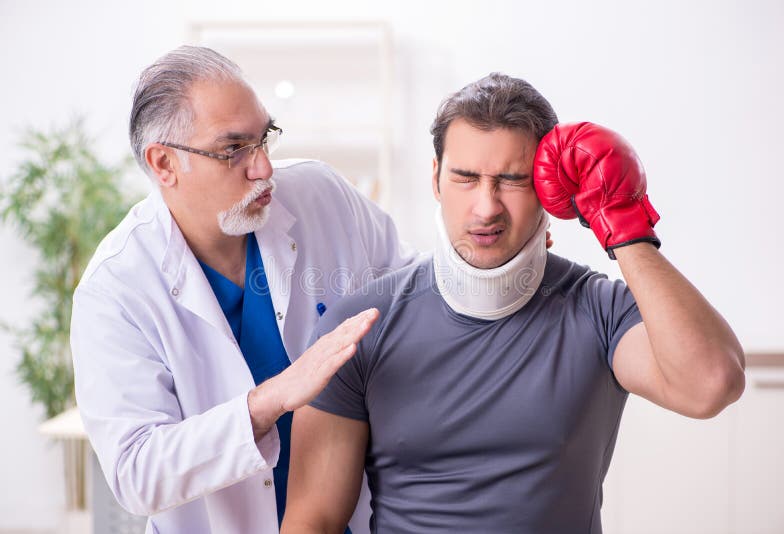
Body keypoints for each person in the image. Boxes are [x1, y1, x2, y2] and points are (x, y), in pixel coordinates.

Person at [282, 73, 746, 533]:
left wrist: (623, 224)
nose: (486, 208)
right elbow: (313, 520)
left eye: (512, 181)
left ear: (551, 188)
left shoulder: (599, 309)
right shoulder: (361, 325)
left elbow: (710, 385)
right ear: (436, 180)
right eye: (465, 178)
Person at [69, 46, 415, 534]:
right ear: (163, 163)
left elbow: (414, 290)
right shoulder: (116, 288)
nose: (263, 169)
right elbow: (136, 473)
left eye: (264, 139)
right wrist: (270, 400)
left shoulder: (320, 194)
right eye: (233, 150)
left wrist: (495, 263)